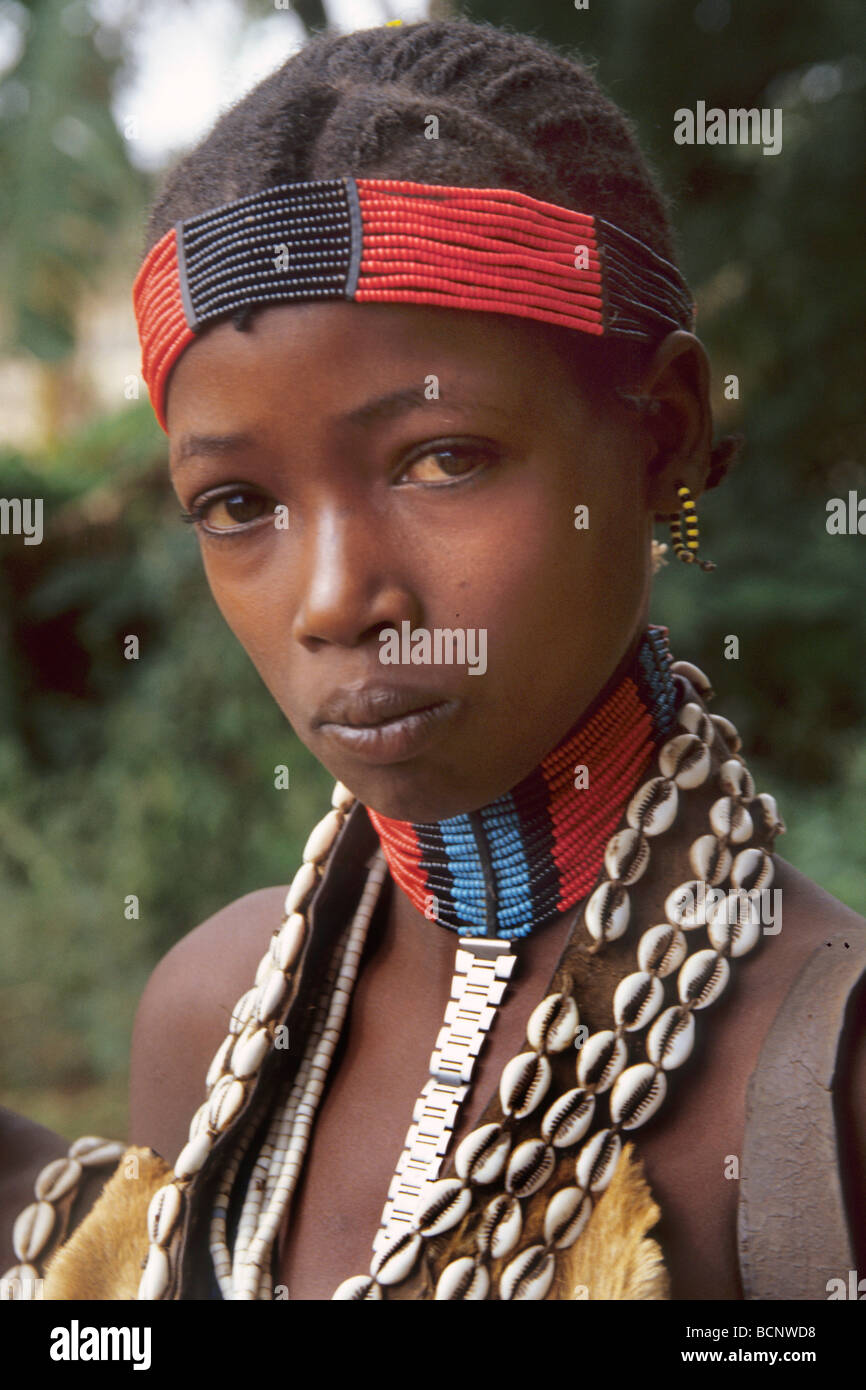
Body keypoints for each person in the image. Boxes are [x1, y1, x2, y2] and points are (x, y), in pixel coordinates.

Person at [2, 16, 864, 1303]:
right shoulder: (212, 1018)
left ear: (659, 439)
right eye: (237, 504)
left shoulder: (820, 1089)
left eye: (440, 458)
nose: (339, 598)